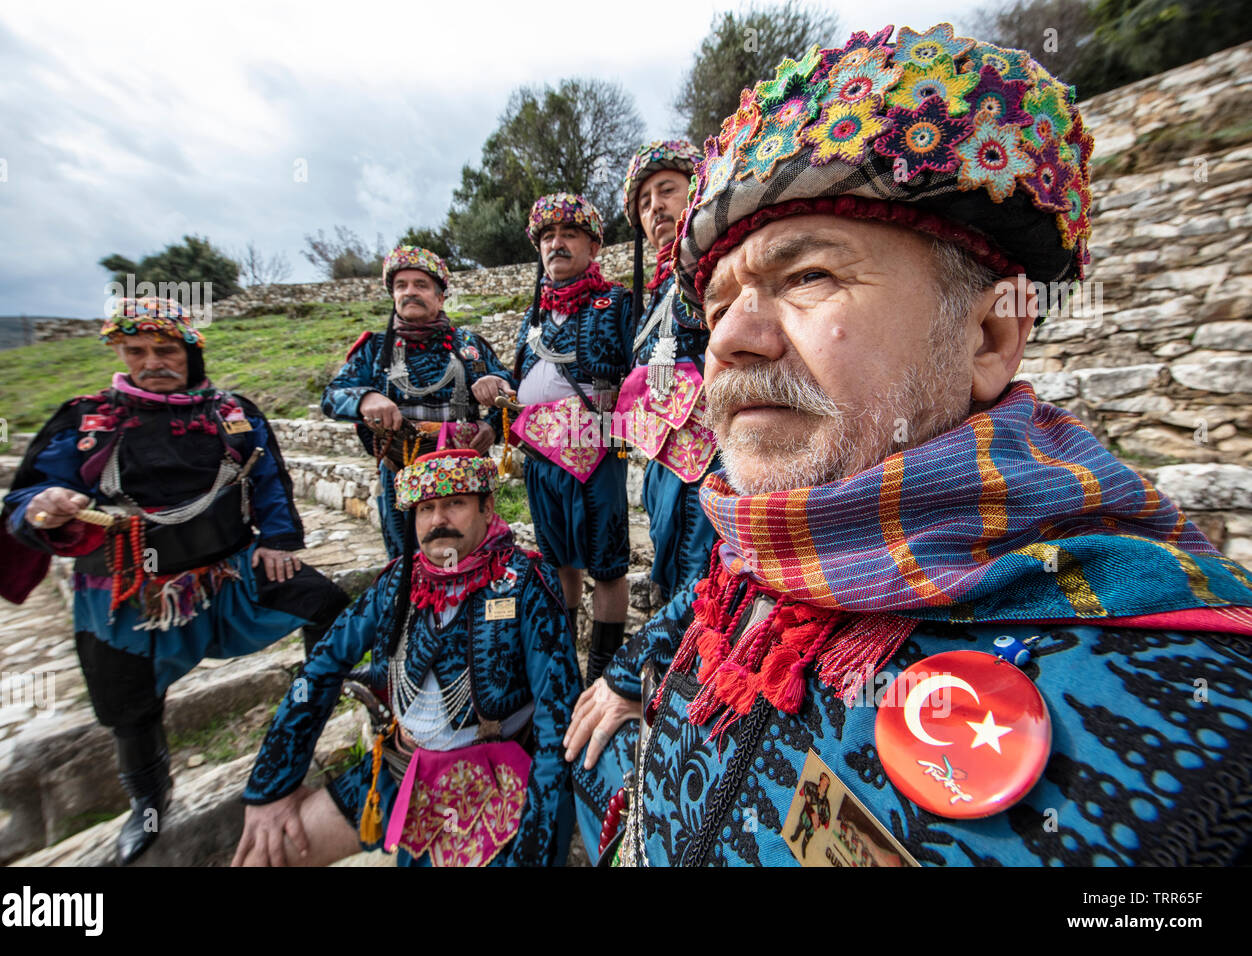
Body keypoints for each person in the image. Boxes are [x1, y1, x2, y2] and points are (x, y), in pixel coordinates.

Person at [568, 24, 1252, 866]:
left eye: (809, 275)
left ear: (990, 334)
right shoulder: (764, 544)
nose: (731, 340)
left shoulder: (1203, 742)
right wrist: (630, 677)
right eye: (717, 305)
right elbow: (705, 596)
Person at [0, 297, 349, 865]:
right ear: (120, 353)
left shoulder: (231, 413)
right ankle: (149, 802)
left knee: (327, 604)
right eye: (137, 351)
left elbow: (271, 478)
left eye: (166, 349)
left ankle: (317, 701)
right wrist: (43, 506)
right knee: (129, 704)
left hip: (229, 571)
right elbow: (27, 496)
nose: (152, 361)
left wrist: (279, 540)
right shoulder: (86, 422)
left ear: (190, 353)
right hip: (129, 592)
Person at [233, 449, 583, 867]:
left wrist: (538, 848)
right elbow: (323, 667)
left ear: (487, 509)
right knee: (263, 854)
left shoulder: (523, 582)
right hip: (403, 768)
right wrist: (271, 787)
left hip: (494, 777)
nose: (438, 521)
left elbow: (557, 718)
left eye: (455, 503)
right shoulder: (399, 582)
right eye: (427, 509)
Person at [501, 193, 635, 685]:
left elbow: (643, 375)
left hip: (597, 453)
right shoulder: (531, 319)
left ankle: (603, 673)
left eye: (569, 234)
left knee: (607, 565)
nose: (556, 244)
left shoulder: (618, 304)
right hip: (540, 459)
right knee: (558, 562)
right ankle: (563, 667)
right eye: (547, 236)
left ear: (593, 244)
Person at [321, 245, 514, 558]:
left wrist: (493, 421)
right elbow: (331, 396)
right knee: (407, 566)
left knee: (472, 560)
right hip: (399, 476)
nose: (410, 292)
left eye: (421, 285)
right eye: (401, 286)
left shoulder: (470, 345)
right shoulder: (374, 349)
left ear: (440, 296)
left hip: (464, 479)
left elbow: (512, 390)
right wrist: (366, 398)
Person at [614, 139, 718, 609]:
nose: (655, 208)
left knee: (702, 577)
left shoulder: (716, 271)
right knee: (671, 559)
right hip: (664, 458)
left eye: (666, 191)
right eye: (644, 202)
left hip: (712, 459)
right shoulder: (654, 296)